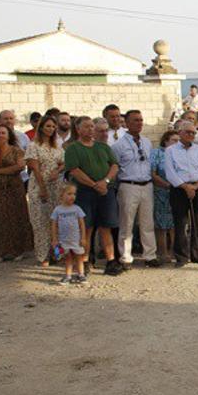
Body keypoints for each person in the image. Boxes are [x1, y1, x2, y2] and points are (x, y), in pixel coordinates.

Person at [65, 116, 123, 276]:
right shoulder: (73, 148)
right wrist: (94, 185)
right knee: (87, 228)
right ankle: (84, 261)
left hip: (106, 192)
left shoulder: (103, 147)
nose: (90, 130)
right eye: (86, 127)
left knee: (106, 227)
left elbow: (114, 165)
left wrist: (105, 181)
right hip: (85, 193)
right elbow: (74, 170)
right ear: (78, 129)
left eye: (92, 127)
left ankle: (111, 261)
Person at [0, 124, 34, 261]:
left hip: (14, 186)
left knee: (16, 216)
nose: (0, 136)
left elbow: (20, 167)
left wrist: (0, 171)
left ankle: (18, 250)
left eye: (3, 133)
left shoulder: (17, 151)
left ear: (9, 135)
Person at [111, 109, 159, 268]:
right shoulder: (119, 145)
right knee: (127, 223)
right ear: (127, 123)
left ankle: (150, 255)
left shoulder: (146, 142)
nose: (139, 123)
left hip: (146, 185)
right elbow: (115, 166)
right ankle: (125, 257)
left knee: (147, 223)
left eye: (141, 120)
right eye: (135, 120)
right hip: (128, 185)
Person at [165, 120, 198, 266]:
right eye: (188, 132)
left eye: (193, 132)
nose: (191, 135)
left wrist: (196, 186)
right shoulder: (170, 151)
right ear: (180, 133)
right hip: (179, 189)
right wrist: (186, 187)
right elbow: (170, 173)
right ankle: (181, 257)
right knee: (180, 223)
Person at [24, 115, 66, 266]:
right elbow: (34, 168)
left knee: (56, 222)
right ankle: (43, 256)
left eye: (53, 127)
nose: (51, 129)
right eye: (48, 126)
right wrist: (42, 189)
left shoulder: (57, 146)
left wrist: (58, 170)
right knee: (40, 223)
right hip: (39, 186)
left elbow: (63, 162)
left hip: (56, 187)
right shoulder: (33, 146)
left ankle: (57, 254)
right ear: (41, 127)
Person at [49, 184, 87, 285]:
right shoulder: (57, 210)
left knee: (79, 257)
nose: (72, 196)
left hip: (76, 239)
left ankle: (81, 275)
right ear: (61, 195)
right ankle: (68, 275)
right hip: (64, 240)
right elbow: (53, 225)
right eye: (69, 194)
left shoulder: (77, 209)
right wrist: (54, 239)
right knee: (68, 257)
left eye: (74, 194)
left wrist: (83, 237)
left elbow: (82, 224)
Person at [150, 130, 177, 262]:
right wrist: (167, 185)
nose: (177, 143)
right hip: (161, 191)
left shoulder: (179, 153)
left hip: (177, 192)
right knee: (161, 225)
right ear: (166, 140)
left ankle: (174, 251)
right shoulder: (157, 153)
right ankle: (163, 252)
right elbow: (153, 173)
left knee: (175, 224)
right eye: (174, 140)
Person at [0, 110, 31, 182]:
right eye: (5, 119)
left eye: (11, 118)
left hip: (20, 180)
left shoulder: (23, 137)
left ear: (14, 120)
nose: (9, 121)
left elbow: (29, 158)